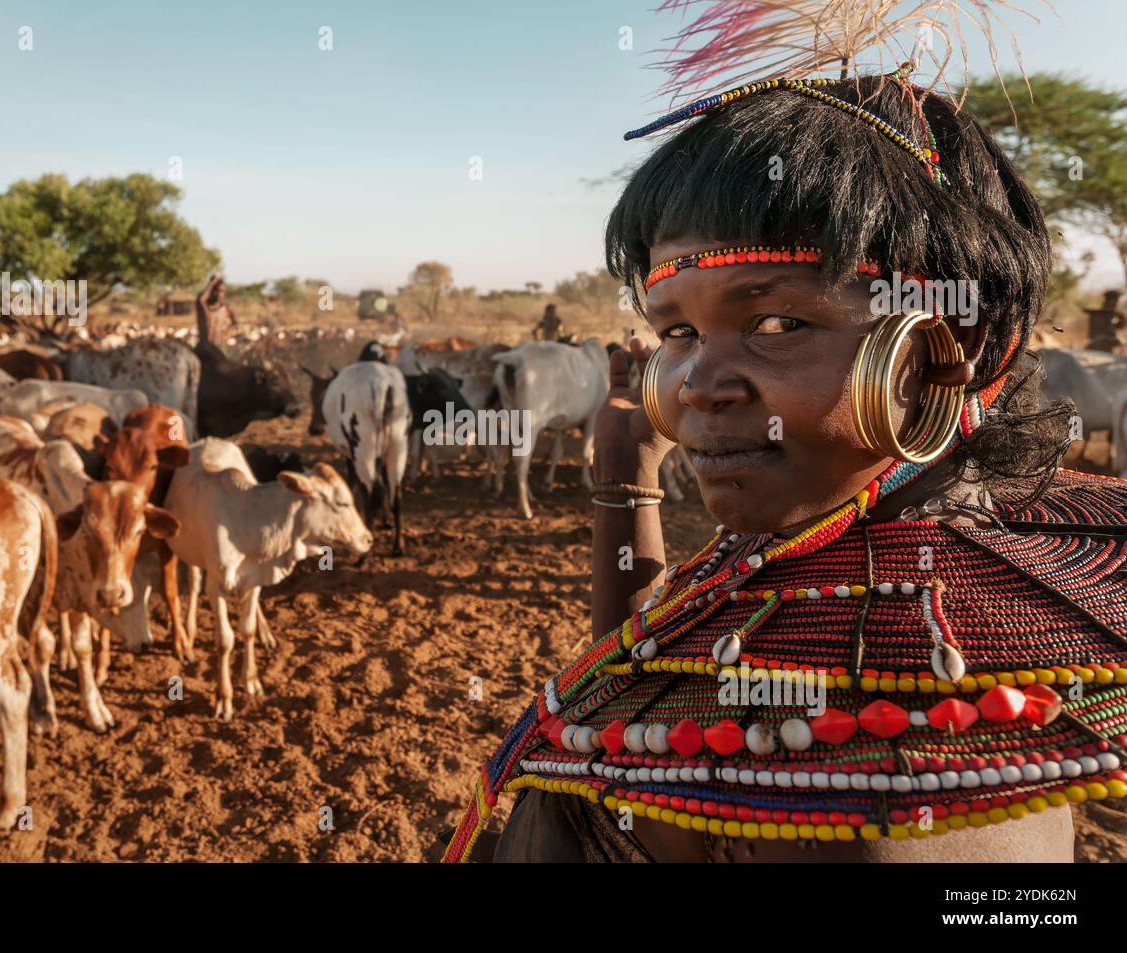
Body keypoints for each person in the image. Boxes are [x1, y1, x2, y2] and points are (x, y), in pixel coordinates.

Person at [443, 58, 1127, 862]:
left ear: (949, 347)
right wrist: (626, 487)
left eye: (775, 324)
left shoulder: (886, 800)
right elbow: (640, 690)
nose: (697, 385)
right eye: (679, 333)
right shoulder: (824, 533)